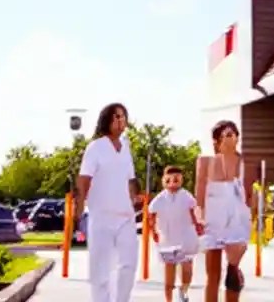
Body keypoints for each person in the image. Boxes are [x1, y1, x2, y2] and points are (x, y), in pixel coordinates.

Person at [76, 103, 142, 302]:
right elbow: (84, 179)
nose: (121, 121)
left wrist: (134, 198)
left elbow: (131, 179)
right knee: (101, 270)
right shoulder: (96, 147)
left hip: (125, 217)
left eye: (123, 117)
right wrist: (78, 209)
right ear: (107, 120)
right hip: (101, 216)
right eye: (116, 117)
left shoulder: (126, 146)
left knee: (128, 265)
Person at [196, 120, 252, 302]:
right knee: (213, 275)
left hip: (235, 219)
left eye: (230, 134)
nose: (227, 139)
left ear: (237, 137)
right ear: (215, 141)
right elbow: (200, 191)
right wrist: (200, 218)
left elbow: (248, 195)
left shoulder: (242, 162)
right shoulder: (206, 161)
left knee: (232, 271)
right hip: (213, 220)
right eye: (222, 136)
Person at [149, 165, 203, 302]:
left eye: (176, 180)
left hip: (185, 239)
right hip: (167, 240)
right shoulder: (160, 199)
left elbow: (193, 212)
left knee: (187, 271)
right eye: (169, 180)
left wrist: (197, 225)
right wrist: (153, 231)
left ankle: (183, 290)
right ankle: (168, 299)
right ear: (164, 180)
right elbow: (151, 215)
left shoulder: (186, 196)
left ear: (181, 180)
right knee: (169, 276)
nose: (173, 183)